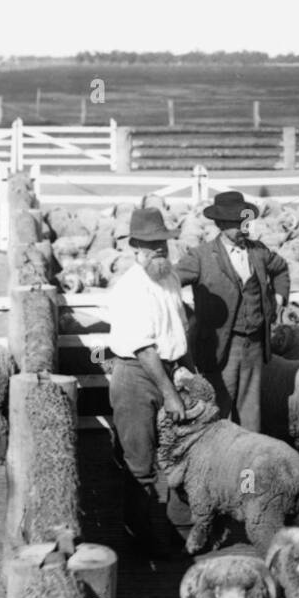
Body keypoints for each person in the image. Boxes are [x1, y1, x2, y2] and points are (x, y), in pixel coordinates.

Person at [106, 206, 194, 556]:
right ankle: (139, 541)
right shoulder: (131, 288)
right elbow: (143, 348)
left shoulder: (169, 278)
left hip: (168, 371)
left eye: (164, 244)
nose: (160, 251)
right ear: (136, 249)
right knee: (140, 463)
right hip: (138, 378)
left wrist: (190, 370)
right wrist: (171, 395)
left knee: (181, 454)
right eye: (152, 245)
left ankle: (182, 530)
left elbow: (179, 329)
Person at [173, 190, 289, 433]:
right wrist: (183, 316)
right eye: (237, 224)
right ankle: (220, 460)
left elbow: (280, 269)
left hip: (255, 343)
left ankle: (247, 457)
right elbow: (170, 282)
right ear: (221, 224)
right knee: (219, 405)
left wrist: (277, 299)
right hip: (220, 346)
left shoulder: (258, 251)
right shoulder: (201, 256)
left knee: (250, 406)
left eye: (245, 222)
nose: (243, 228)